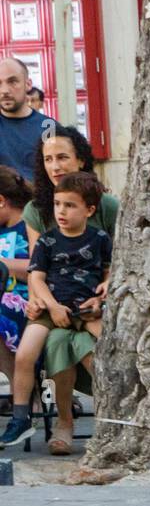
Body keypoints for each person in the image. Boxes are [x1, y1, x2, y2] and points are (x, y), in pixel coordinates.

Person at [0, 172, 109, 452]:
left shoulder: (99, 238)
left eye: (70, 205)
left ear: (90, 210)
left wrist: (106, 286)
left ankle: (116, 418)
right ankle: (21, 416)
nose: (61, 211)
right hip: (53, 307)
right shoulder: (48, 241)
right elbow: (36, 277)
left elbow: (110, 271)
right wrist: (51, 305)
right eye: (58, 204)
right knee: (25, 354)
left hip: (86, 309)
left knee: (109, 354)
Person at [0, 166, 34, 392]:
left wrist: (2, 266)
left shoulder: (31, 226)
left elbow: (38, 267)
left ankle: (21, 391)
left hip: (28, 297)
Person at [0, 58, 52, 183]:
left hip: (38, 200)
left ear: (28, 84)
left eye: (13, 82)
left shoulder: (48, 127)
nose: (5, 90)